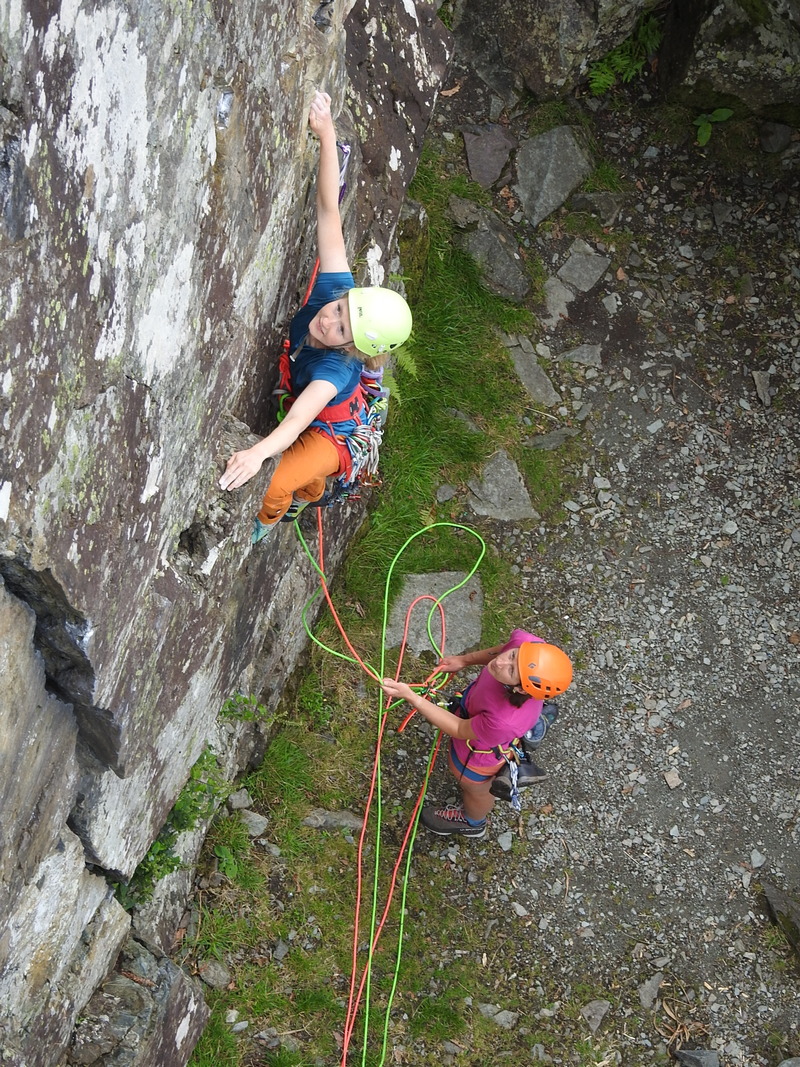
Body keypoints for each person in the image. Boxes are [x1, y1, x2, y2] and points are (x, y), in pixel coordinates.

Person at [219, 90, 413, 544]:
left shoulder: (334, 370)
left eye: (343, 327)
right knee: (300, 477)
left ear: (354, 348)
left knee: (272, 484)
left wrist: (255, 455)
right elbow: (329, 213)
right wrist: (327, 134)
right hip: (323, 418)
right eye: (340, 310)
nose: (330, 319)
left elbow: (297, 421)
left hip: (332, 433)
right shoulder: (336, 292)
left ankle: (263, 527)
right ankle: (312, 488)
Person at [380, 631, 573, 839]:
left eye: (511, 671)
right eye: (512, 656)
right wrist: (463, 661)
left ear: (521, 690)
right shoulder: (530, 649)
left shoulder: (504, 719)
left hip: (478, 755)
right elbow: (503, 649)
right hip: (477, 718)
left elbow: (460, 729)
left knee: (476, 788)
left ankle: (473, 823)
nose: (500, 663)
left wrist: (411, 697)